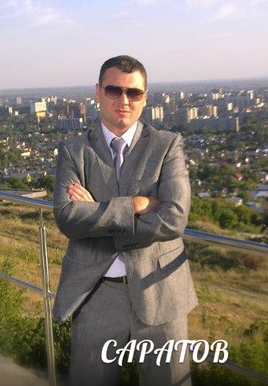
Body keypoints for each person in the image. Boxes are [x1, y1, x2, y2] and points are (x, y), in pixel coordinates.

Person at [53, 55, 198, 386]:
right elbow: (66, 216)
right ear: (97, 92)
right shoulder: (74, 150)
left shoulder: (168, 145)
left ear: (145, 97)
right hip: (96, 292)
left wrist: (96, 213)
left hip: (160, 290)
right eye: (113, 90)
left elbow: (174, 219)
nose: (124, 100)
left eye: (133, 92)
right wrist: (136, 205)